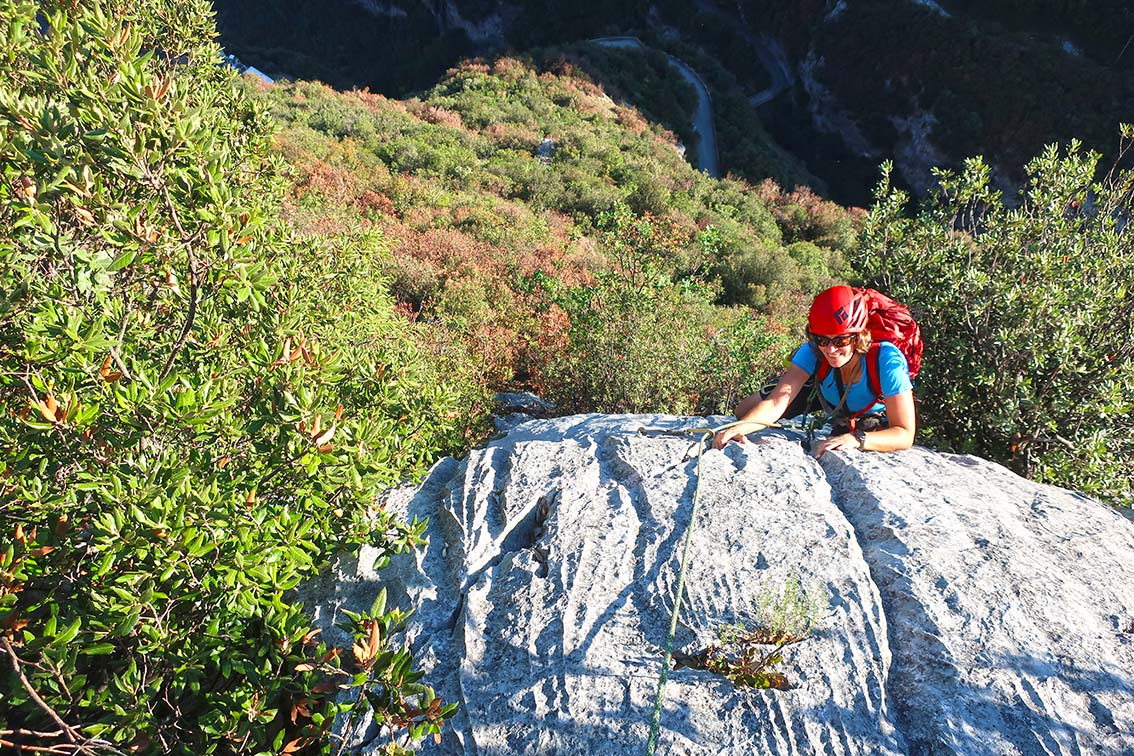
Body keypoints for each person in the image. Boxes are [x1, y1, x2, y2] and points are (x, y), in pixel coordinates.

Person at [712, 286, 916, 457]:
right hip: (823, 391)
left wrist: (857, 439)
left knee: (865, 430)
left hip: (867, 407)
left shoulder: (887, 360)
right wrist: (740, 428)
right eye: (822, 340)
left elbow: (905, 434)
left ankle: (863, 423)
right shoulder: (813, 351)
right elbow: (776, 402)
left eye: (841, 340)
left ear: (858, 336)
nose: (831, 349)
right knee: (743, 411)